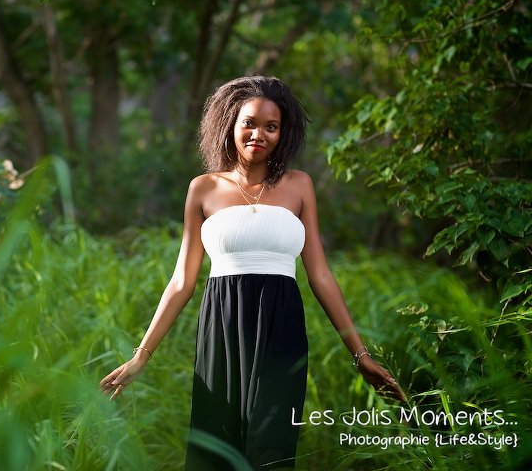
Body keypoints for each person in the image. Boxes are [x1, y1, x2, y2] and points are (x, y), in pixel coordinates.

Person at [99, 76, 406, 470]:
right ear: (230, 123)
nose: (258, 134)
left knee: (271, 452)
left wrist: (360, 354)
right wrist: (141, 356)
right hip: (221, 332)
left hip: (282, 333)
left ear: (283, 134)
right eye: (249, 122)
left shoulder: (299, 186)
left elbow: (321, 276)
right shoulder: (203, 189)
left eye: (271, 127)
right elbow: (182, 281)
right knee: (217, 452)